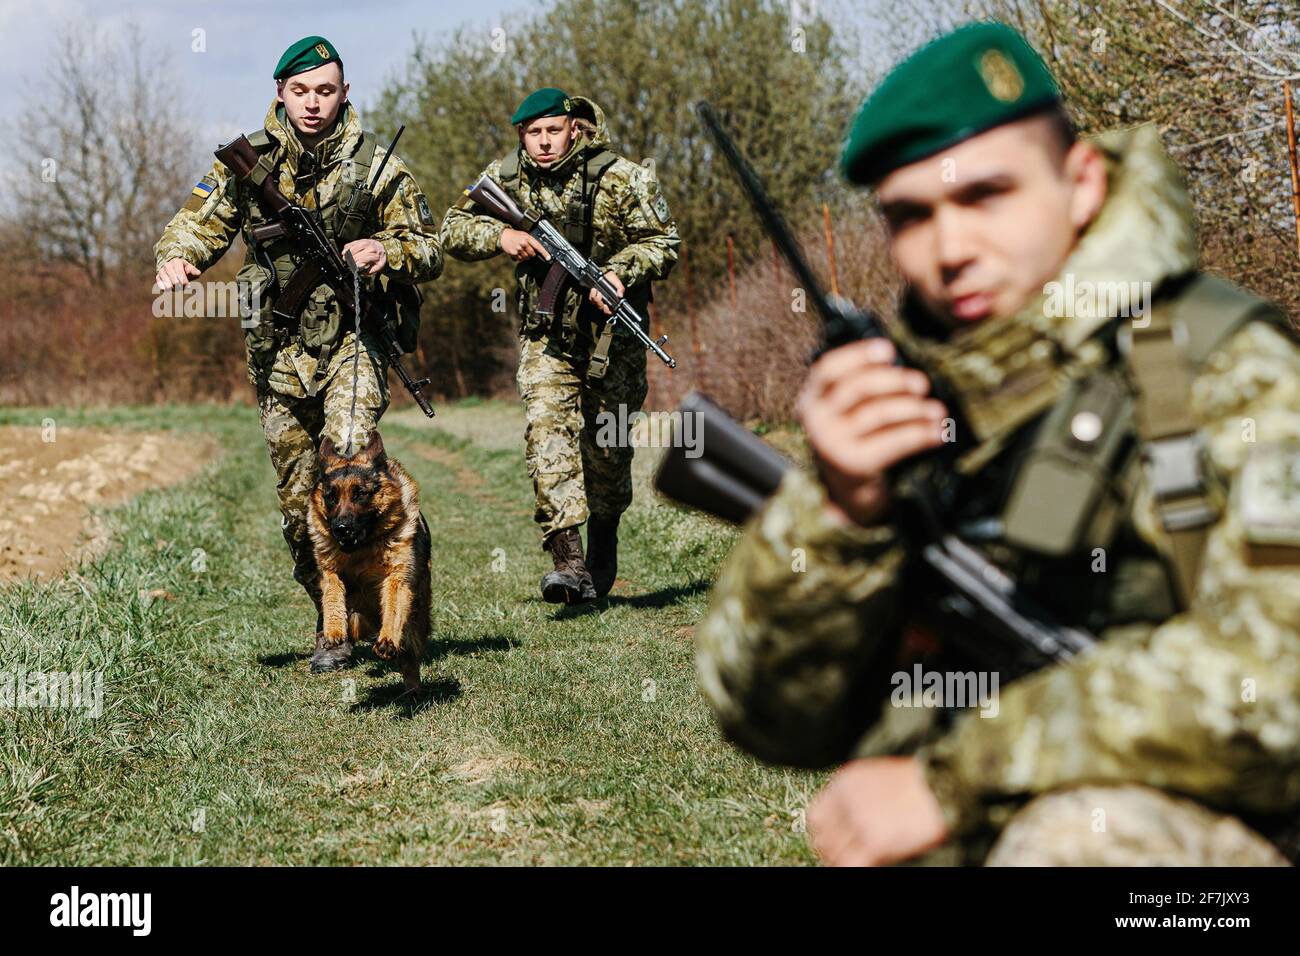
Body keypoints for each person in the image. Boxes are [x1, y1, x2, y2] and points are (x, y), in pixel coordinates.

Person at [694, 21, 1300, 866]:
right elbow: (763, 714)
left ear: (1081, 183)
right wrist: (838, 512)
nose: (950, 251)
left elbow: (1277, 685)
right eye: (910, 216)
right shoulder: (917, 396)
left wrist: (956, 776)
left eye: (987, 196)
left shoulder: (1224, 373)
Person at [154, 36, 443, 672]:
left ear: (346, 95)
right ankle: (331, 616)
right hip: (278, 353)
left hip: (355, 340)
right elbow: (195, 223)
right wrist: (177, 260)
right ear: (281, 94)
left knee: (346, 453)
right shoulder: (248, 163)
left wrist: (384, 253)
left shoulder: (378, 167)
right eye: (301, 91)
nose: (314, 104)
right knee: (298, 503)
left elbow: (430, 246)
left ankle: (396, 594)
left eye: (326, 91)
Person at [440, 88, 680, 605]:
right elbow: (451, 229)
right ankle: (567, 560)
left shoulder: (622, 176)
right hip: (547, 336)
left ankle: (604, 537)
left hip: (612, 339)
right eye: (533, 133)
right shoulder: (507, 177)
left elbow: (664, 241)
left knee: (608, 449)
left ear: (575, 127)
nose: (544, 142)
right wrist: (500, 239)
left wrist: (618, 272)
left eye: (553, 130)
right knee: (547, 432)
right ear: (521, 135)